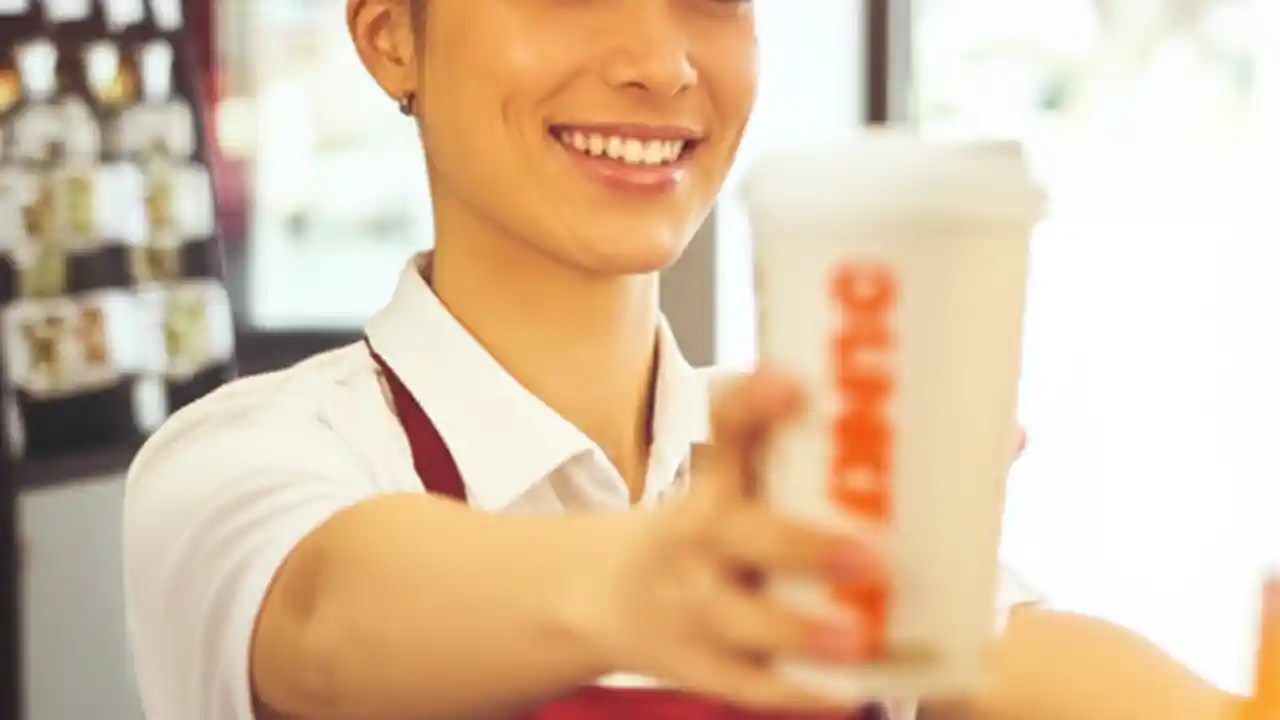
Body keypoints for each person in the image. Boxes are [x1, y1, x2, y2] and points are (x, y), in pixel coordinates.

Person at [122, 1, 1272, 719]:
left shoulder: (812, 465)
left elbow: (1014, 667)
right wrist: (641, 588)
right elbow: (326, 626)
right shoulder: (249, 459)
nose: (658, 62)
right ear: (387, 34)